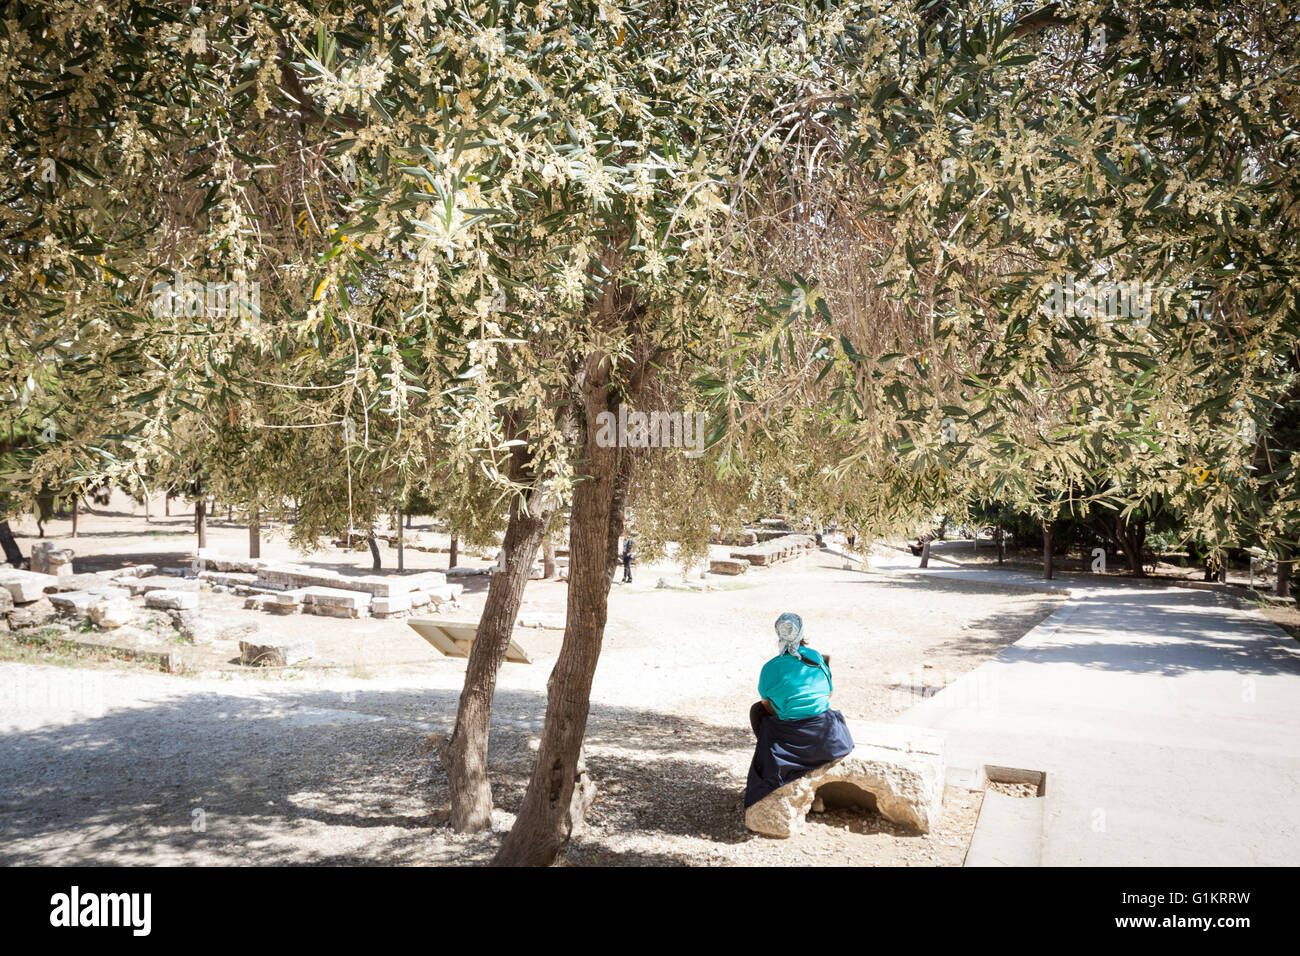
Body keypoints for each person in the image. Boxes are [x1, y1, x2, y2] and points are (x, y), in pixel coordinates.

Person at [744, 612, 854, 808]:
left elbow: (767, 704)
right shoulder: (816, 658)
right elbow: (828, 694)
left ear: (779, 634)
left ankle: (773, 753)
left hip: (792, 740)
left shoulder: (771, 667)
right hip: (827, 738)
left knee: (757, 710)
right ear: (802, 632)